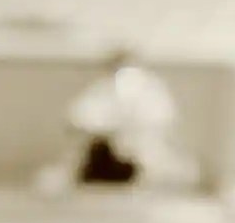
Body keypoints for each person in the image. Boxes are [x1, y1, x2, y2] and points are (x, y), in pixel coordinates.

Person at [38, 47, 199, 193]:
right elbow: (77, 121)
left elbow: (163, 124)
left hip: (144, 158)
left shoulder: (151, 91)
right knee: (50, 180)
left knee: (185, 173)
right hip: (102, 159)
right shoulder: (101, 90)